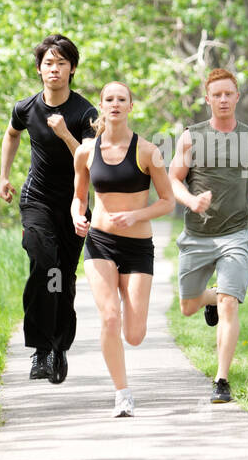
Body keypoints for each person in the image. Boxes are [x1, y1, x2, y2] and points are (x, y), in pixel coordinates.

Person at [169, 68, 248, 403]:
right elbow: (173, 180)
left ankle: (221, 380)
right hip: (198, 235)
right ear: (208, 98)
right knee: (187, 307)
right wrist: (192, 201)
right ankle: (209, 296)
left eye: (229, 93)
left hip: (235, 234)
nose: (223, 99)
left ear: (237, 96)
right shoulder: (191, 137)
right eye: (217, 94)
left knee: (230, 304)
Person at [0, 35, 98, 383]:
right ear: (39, 69)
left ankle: (59, 346)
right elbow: (11, 135)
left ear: (72, 69)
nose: (54, 69)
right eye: (48, 63)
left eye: (61, 63)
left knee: (62, 278)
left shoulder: (85, 113)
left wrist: (65, 135)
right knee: (44, 265)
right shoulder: (25, 108)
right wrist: (3, 176)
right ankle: (40, 351)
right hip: (36, 200)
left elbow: (89, 163)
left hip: (75, 204)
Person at [72, 81, 174, 417]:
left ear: (131, 106)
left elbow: (167, 202)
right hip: (100, 241)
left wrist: (136, 214)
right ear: (101, 105)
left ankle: (125, 378)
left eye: (122, 99)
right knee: (110, 318)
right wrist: (78, 217)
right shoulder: (85, 152)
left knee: (134, 333)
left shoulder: (148, 151)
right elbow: (78, 197)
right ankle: (122, 393)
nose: (115, 104)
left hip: (138, 247)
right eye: (109, 99)